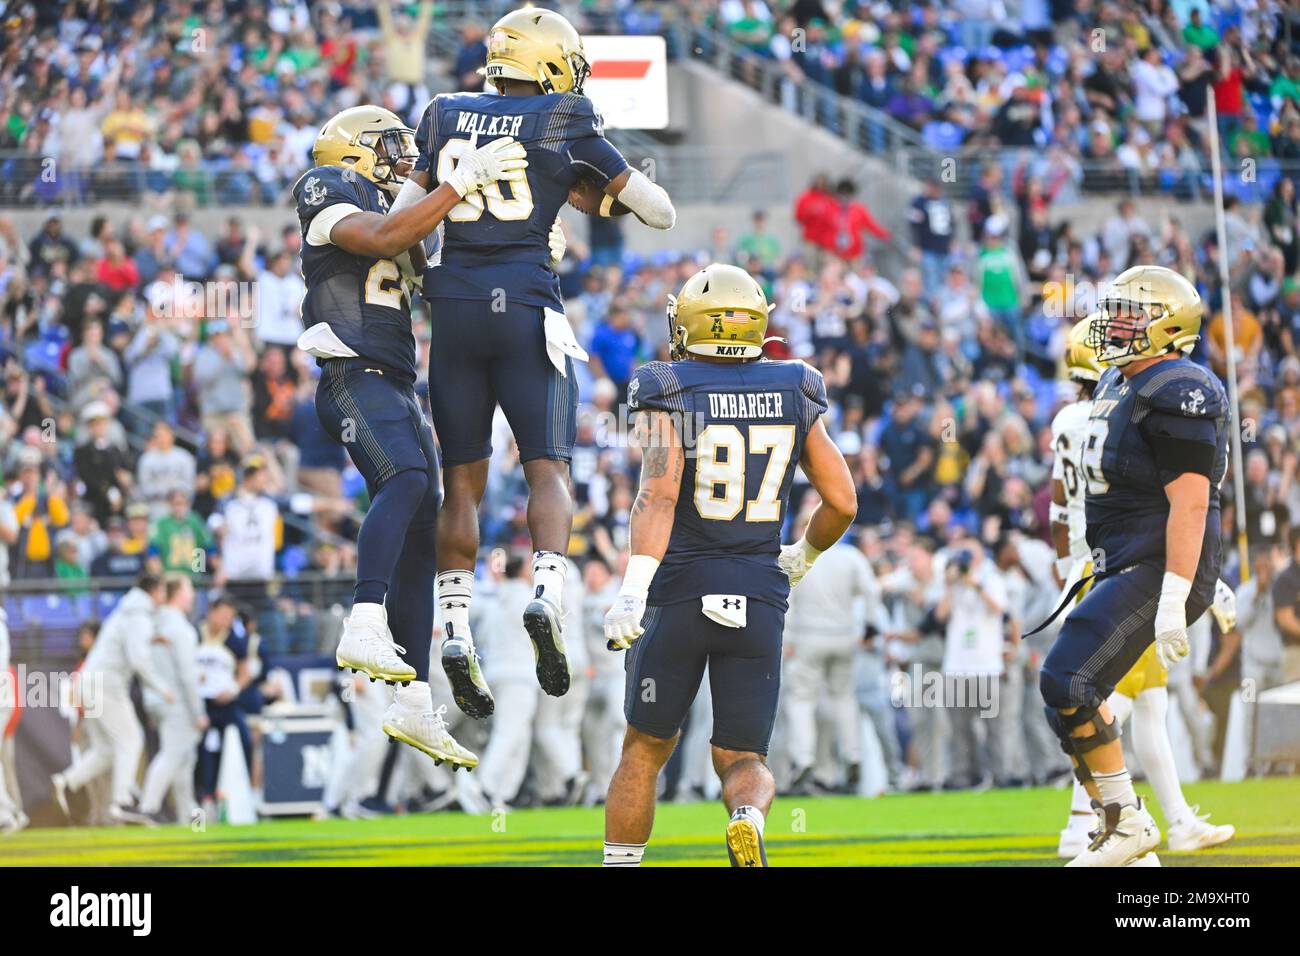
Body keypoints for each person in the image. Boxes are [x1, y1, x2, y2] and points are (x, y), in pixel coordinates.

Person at [398, 7, 676, 721]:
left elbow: (407, 217)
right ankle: (549, 591)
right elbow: (658, 211)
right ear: (552, 63)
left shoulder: (442, 110)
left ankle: (453, 631)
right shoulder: (564, 115)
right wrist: (592, 179)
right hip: (525, 302)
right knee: (546, 466)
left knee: (460, 482)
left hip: (452, 305)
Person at [600, 263, 857, 867]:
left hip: (680, 588)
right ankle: (747, 817)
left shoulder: (668, 382)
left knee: (644, 749)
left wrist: (634, 588)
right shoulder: (795, 384)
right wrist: (804, 554)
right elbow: (843, 501)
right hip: (759, 590)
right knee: (743, 758)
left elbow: (658, 492)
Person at [296, 105, 518, 771]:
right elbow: (382, 236)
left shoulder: (398, 207)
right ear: (356, 151)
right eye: (389, 146)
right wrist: (455, 186)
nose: (400, 158)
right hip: (350, 374)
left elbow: (438, 283)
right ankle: (363, 617)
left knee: (426, 524)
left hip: (393, 381)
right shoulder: (325, 187)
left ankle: (415, 700)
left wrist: (518, 254)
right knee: (409, 481)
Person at [1039, 266, 1230, 867]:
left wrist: (1179, 593)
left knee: (1072, 678)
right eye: (1114, 310)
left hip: (1156, 566)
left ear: (1168, 326)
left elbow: (1192, 501)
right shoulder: (1116, 383)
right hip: (1120, 561)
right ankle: (1127, 829)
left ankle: (1127, 825)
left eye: (1130, 314)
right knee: (1062, 690)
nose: (1113, 323)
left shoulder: (1180, 385)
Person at [52, 572, 173, 825]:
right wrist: (162, 688)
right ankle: (122, 802)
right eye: (163, 591)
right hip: (106, 686)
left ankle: (67, 782)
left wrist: (151, 639)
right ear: (154, 591)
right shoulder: (139, 615)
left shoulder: (126, 611)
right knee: (131, 740)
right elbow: (139, 660)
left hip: (88, 682)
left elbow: (126, 643)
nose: (164, 596)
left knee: (105, 749)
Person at [138, 573, 205, 824]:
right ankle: (147, 808)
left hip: (156, 698)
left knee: (184, 759)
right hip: (176, 700)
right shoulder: (180, 628)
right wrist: (198, 712)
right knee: (173, 755)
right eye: (188, 589)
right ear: (177, 593)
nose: (193, 594)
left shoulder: (153, 623)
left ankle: (190, 816)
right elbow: (187, 675)